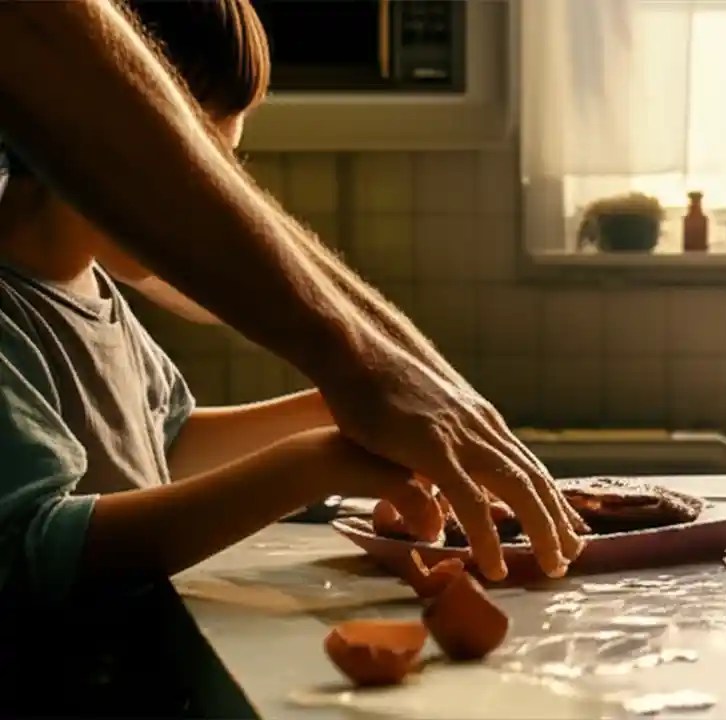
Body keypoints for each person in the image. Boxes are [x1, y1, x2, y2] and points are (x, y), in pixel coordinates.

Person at [0, 1, 584, 583]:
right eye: (206, 172)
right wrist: (313, 465)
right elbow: (36, 549)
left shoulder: (91, 290)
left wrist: (328, 413)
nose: (218, 207)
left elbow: (163, 446)